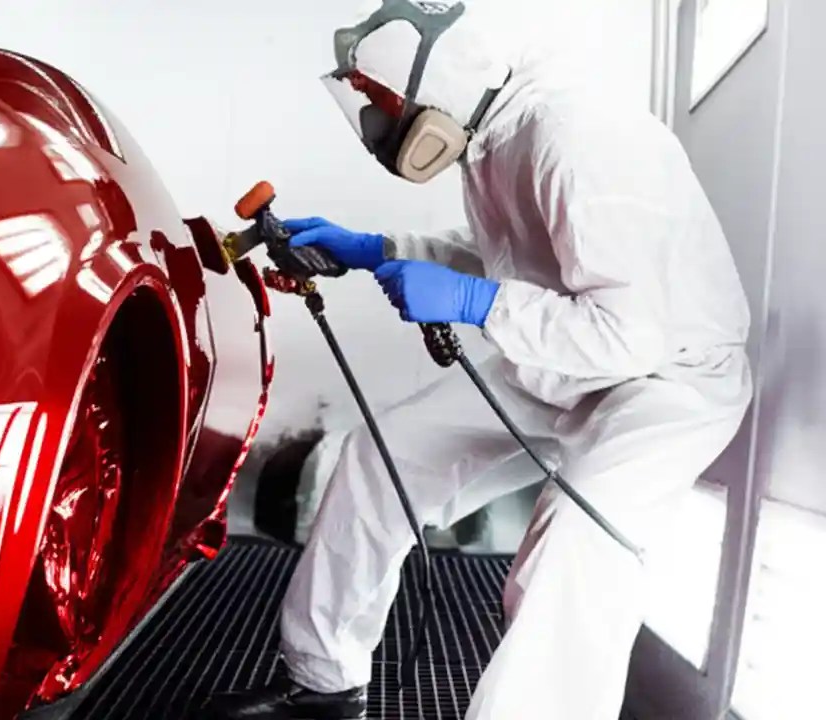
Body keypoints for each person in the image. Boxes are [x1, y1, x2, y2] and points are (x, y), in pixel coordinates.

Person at [202, 1, 752, 718]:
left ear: (434, 85)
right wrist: (376, 249)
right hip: (561, 361)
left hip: (665, 382)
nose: (374, 120)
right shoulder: (493, 137)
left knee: (569, 557)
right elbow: (515, 260)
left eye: (377, 99)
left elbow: (632, 332)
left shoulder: (577, 136)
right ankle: (324, 682)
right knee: (385, 454)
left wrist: (476, 303)